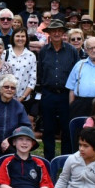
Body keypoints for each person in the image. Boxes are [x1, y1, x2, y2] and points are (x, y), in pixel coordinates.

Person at [37, 20, 81, 159]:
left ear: (63, 33)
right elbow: (40, 72)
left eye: (59, 30)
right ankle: (49, 160)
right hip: (48, 94)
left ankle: (66, 160)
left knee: (66, 129)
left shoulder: (72, 51)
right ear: (49, 33)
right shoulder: (43, 51)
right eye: (53, 30)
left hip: (66, 94)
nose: (56, 33)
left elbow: (77, 73)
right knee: (48, 129)